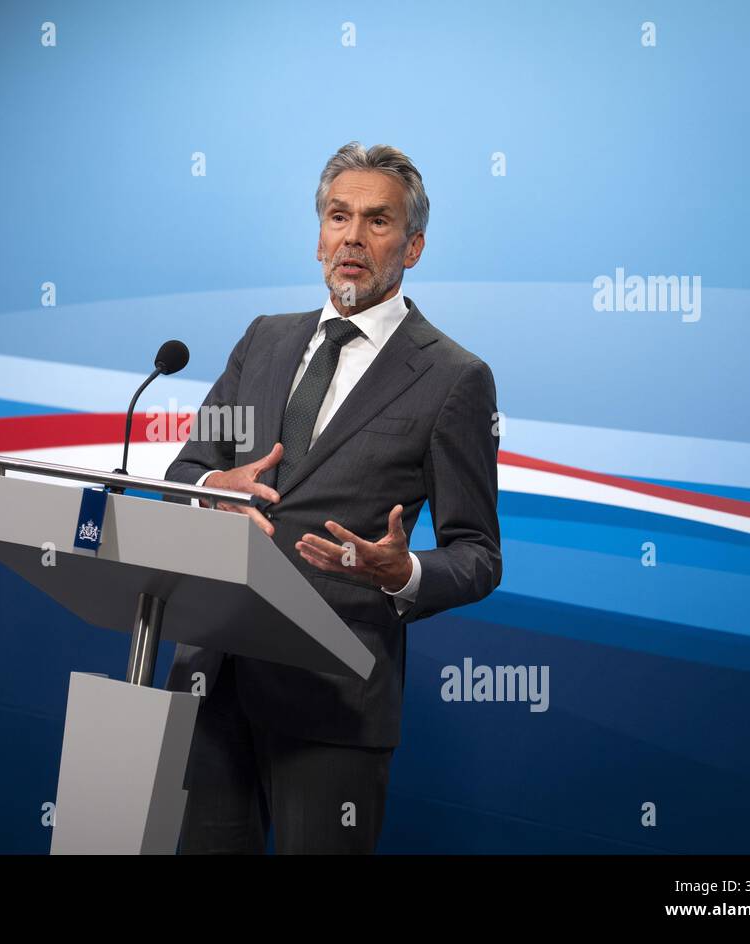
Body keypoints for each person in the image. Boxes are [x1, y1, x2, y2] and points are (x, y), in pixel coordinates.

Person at [165, 141, 502, 853]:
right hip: (211, 680)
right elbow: (188, 468)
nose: (352, 237)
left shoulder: (454, 378)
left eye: (377, 222)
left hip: (332, 697)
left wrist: (401, 571)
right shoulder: (262, 341)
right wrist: (208, 486)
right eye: (337, 216)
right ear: (318, 234)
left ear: (413, 246)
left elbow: (477, 554)